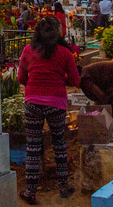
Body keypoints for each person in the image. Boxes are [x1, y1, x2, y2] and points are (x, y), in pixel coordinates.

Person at [17, 16, 79, 203]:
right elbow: (76, 81)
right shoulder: (65, 53)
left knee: (33, 147)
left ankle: (30, 192)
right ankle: (63, 186)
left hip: (33, 103)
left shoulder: (29, 50)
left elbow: (21, 77)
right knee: (59, 144)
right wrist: (60, 78)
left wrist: (36, 83)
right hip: (56, 103)